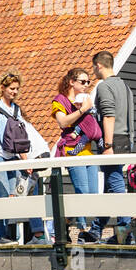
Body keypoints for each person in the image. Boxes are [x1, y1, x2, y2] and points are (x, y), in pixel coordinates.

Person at [0, 72, 47, 244]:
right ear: (2, 88)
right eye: (12, 88)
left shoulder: (16, 110)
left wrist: (25, 160)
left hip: (11, 157)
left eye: (17, 89)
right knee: (3, 194)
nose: (14, 92)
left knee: (12, 196)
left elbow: (19, 137)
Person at [89, 51, 135, 244]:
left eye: (93, 67)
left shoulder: (104, 86)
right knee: (111, 184)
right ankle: (96, 229)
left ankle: (126, 232)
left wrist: (107, 145)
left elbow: (108, 115)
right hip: (125, 138)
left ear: (99, 65)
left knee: (115, 184)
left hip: (112, 140)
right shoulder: (125, 86)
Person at [51, 67, 102, 241]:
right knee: (83, 191)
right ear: (72, 82)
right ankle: (82, 230)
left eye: (88, 82)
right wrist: (82, 110)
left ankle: (71, 222)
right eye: (82, 81)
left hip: (87, 149)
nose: (86, 85)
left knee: (94, 193)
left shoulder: (86, 99)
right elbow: (63, 122)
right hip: (73, 150)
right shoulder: (60, 100)